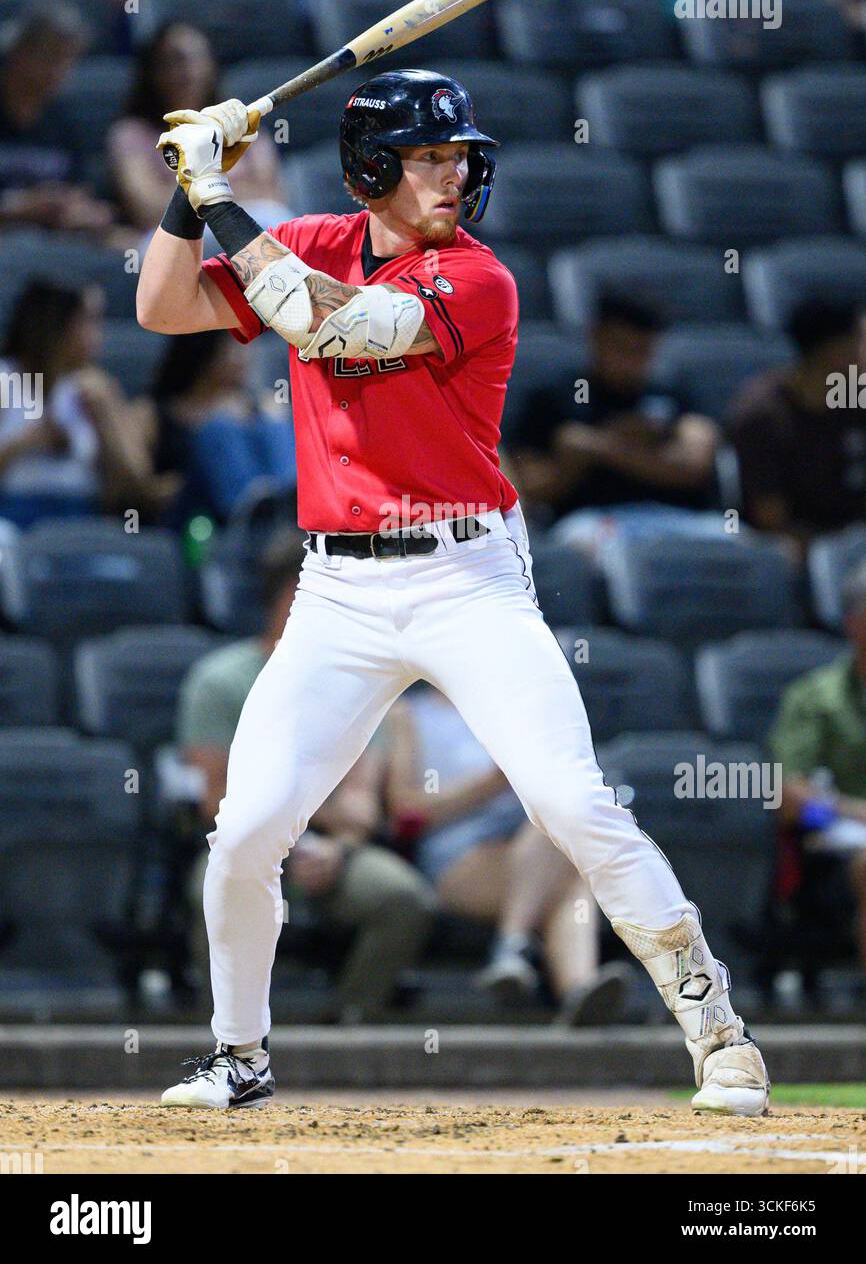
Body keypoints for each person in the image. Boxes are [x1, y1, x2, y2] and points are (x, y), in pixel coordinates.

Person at [138, 68, 769, 1114]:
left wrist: (218, 193)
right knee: (246, 828)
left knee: (570, 797)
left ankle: (718, 1033)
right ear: (371, 168)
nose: (453, 173)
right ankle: (238, 1053)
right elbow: (160, 305)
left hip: (465, 576)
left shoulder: (478, 279)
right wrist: (182, 185)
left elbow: (334, 330)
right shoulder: (307, 240)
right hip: (335, 589)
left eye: (458, 155)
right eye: (428, 157)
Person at [177, 528, 436, 1022]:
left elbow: (361, 809)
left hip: (331, 850)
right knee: (209, 888)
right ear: (296, 596)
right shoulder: (220, 679)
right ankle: (228, 1039)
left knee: (403, 898)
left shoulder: (363, 679)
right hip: (240, 842)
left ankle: (346, 1029)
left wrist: (335, 846)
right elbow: (214, 799)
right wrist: (289, 827)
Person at [385, 684, 631, 1024]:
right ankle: (572, 986)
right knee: (569, 874)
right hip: (455, 856)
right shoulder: (408, 713)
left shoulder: (516, 705)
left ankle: (520, 954)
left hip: (529, 845)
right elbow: (404, 810)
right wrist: (490, 784)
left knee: (559, 838)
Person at [511, 293, 720, 553]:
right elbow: (528, 487)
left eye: (641, 351)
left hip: (679, 519)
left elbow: (694, 465)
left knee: (739, 545)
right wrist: (569, 465)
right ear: (596, 338)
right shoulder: (556, 398)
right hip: (594, 521)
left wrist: (597, 446)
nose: (630, 362)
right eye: (621, 348)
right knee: (583, 546)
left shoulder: (672, 393)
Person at [767, 560, 866, 979]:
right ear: (854, 624)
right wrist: (847, 813)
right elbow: (790, 800)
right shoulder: (815, 697)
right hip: (833, 846)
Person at [0, 281, 167, 526]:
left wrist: (106, 419)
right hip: (14, 512)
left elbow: (135, 484)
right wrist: (28, 441)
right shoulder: (5, 378)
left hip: (83, 512)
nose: (98, 333)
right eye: (88, 320)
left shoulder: (97, 388)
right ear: (56, 323)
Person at [108, 22, 288, 239]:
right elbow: (148, 210)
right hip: (173, 240)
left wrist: (192, 195)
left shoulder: (245, 123)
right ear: (154, 71)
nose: (187, 72)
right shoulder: (132, 133)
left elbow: (273, 196)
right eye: (175, 61)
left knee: (277, 225)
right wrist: (233, 191)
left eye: (197, 59)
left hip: (252, 227)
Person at [728, 298, 866, 553]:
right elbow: (771, 519)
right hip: (802, 546)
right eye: (861, 341)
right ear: (836, 353)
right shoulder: (763, 415)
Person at [138, 329, 296, 526]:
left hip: (257, 496)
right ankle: (257, 520)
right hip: (195, 514)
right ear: (206, 349)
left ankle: (292, 512)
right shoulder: (155, 412)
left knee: (273, 420)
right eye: (235, 345)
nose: (245, 355)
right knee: (220, 427)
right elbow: (138, 491)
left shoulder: (256, 409)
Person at [0, 5, 114, 236]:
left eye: (67, 59)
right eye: (50, 56)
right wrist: (20, 207)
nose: (58, 70)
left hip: (54, 241)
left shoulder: (65, 122)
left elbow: (80, 190)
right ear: (18, 53)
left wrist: (84, 211)